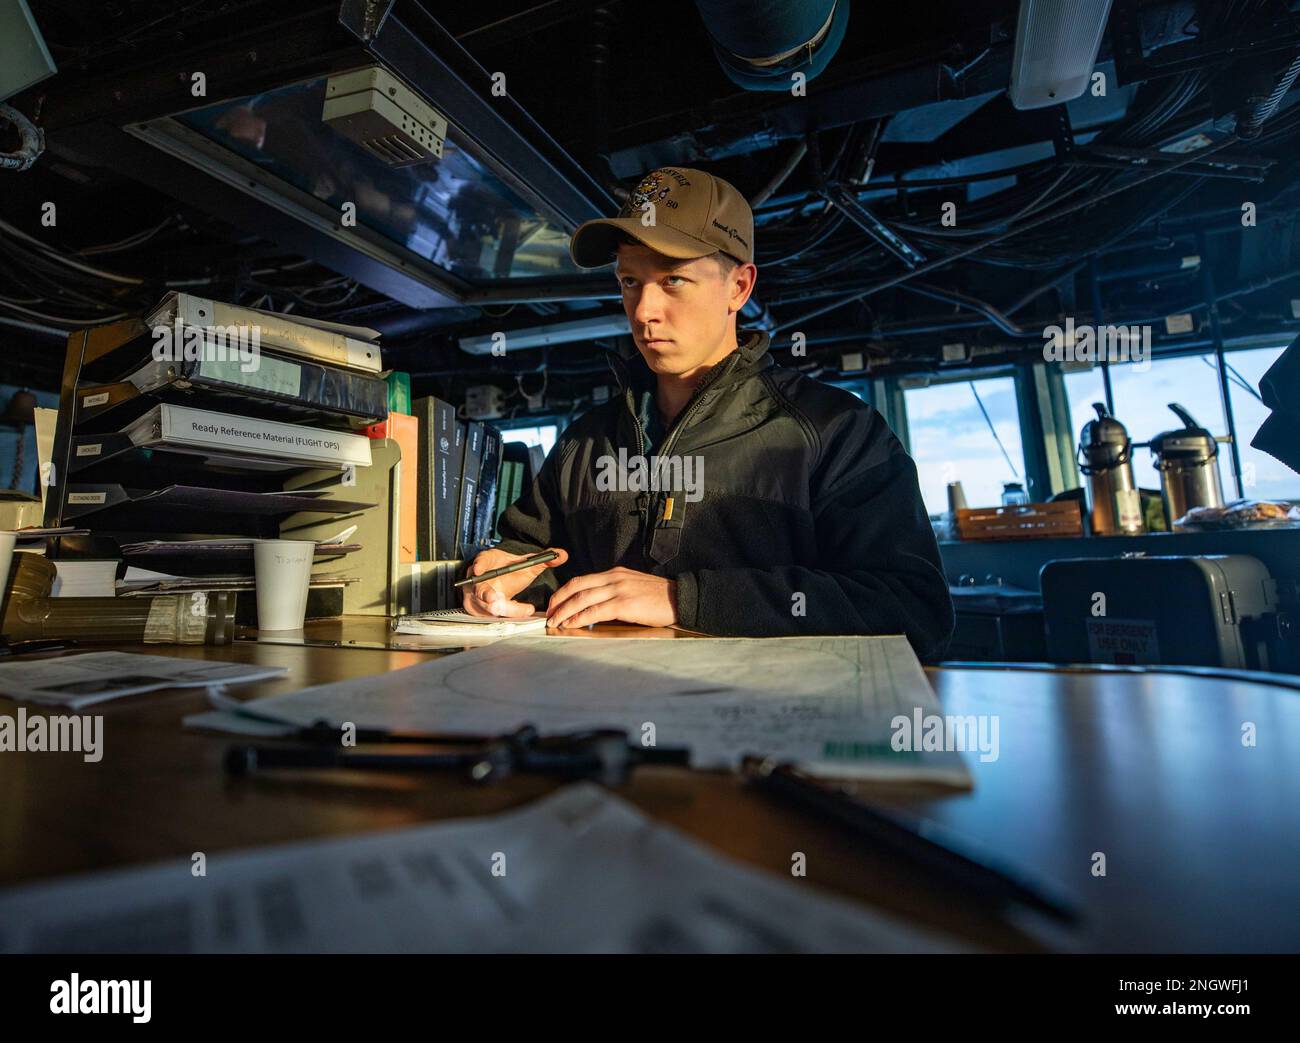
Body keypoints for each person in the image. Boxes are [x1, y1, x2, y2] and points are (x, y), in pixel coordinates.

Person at [461, 166, 954, 660]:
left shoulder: (835, 430)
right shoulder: (583, 443)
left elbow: (913, 609)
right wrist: (503, 582)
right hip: (607, 700)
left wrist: (684, 599)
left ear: (738, 287)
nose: (643, 311)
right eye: (630, 281)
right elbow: (535, 557)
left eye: (673, 279)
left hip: (766, 706)